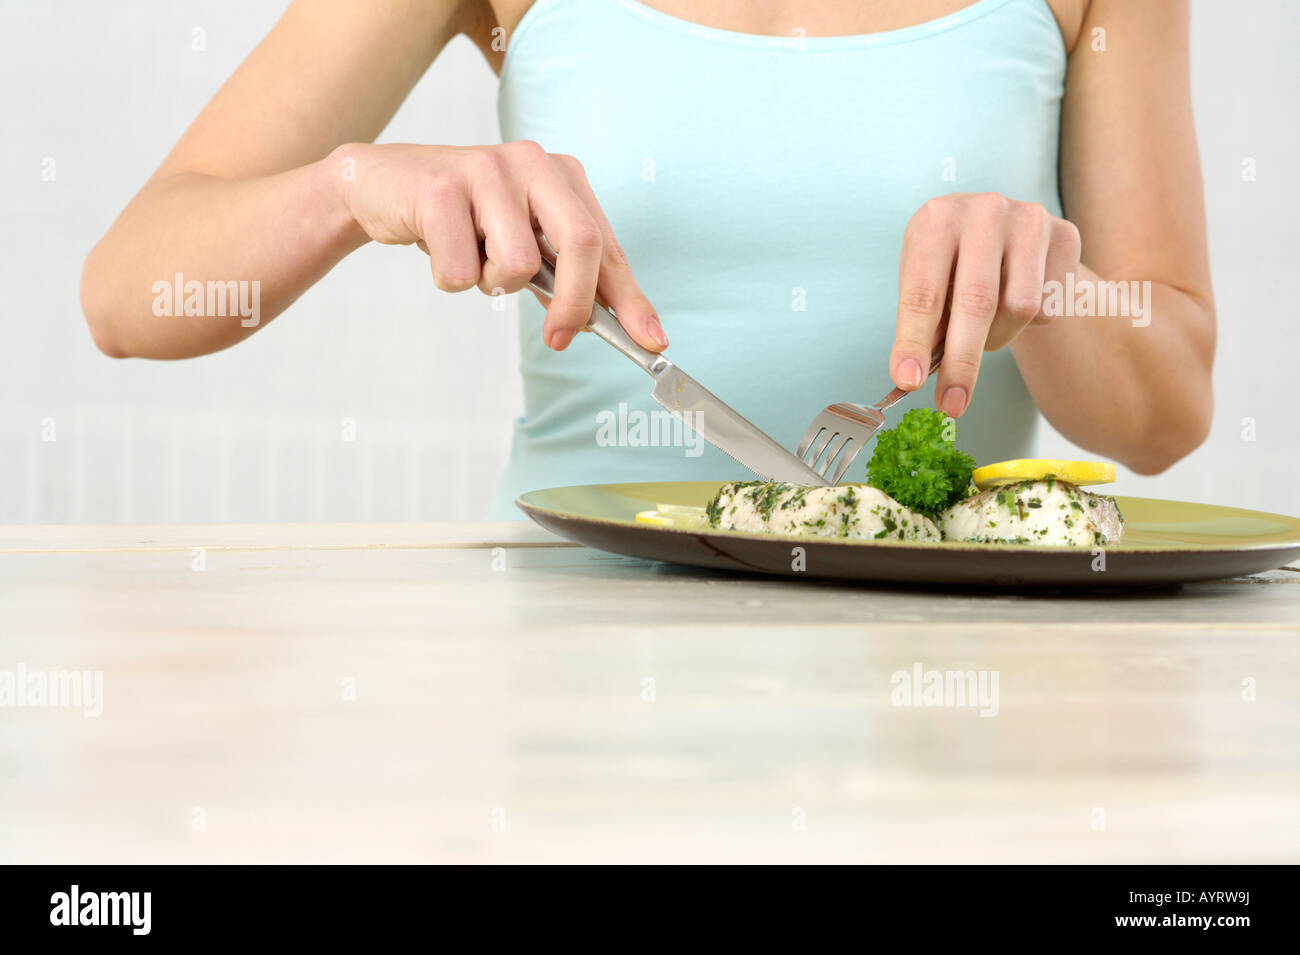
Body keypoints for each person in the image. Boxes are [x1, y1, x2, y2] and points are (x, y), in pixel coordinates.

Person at [80, 0, 1215, 519]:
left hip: (953, 684)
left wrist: (1055, 289)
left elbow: (1166, 417)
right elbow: (130, 291)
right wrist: (351, 184)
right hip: (569, 665)